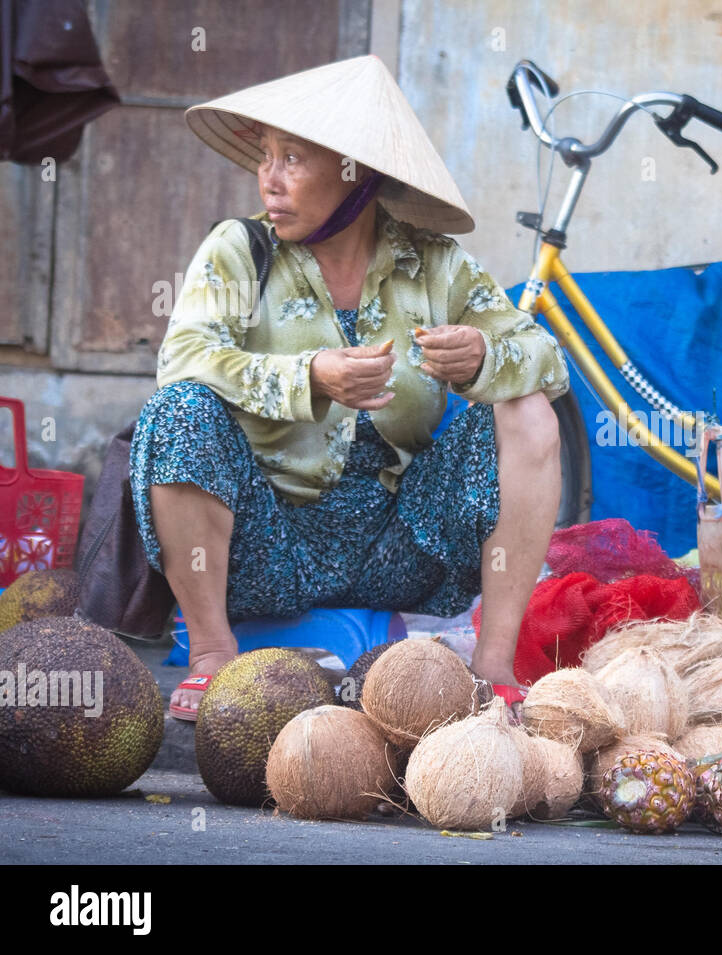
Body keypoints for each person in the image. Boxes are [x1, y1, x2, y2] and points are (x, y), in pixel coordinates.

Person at [130, 55, 569, 723]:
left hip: (402, 542)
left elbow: (545, 357)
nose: (268, 180)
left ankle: (494, 666)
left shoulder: (435, 264)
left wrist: (484, 355)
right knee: (178, 411)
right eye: (265, 156)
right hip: (264, 543)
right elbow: (185, 356)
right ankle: (213, 652)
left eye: (293, 160)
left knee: (529, 409)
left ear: (354, 172)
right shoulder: (239, 250)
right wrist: (309, 377)